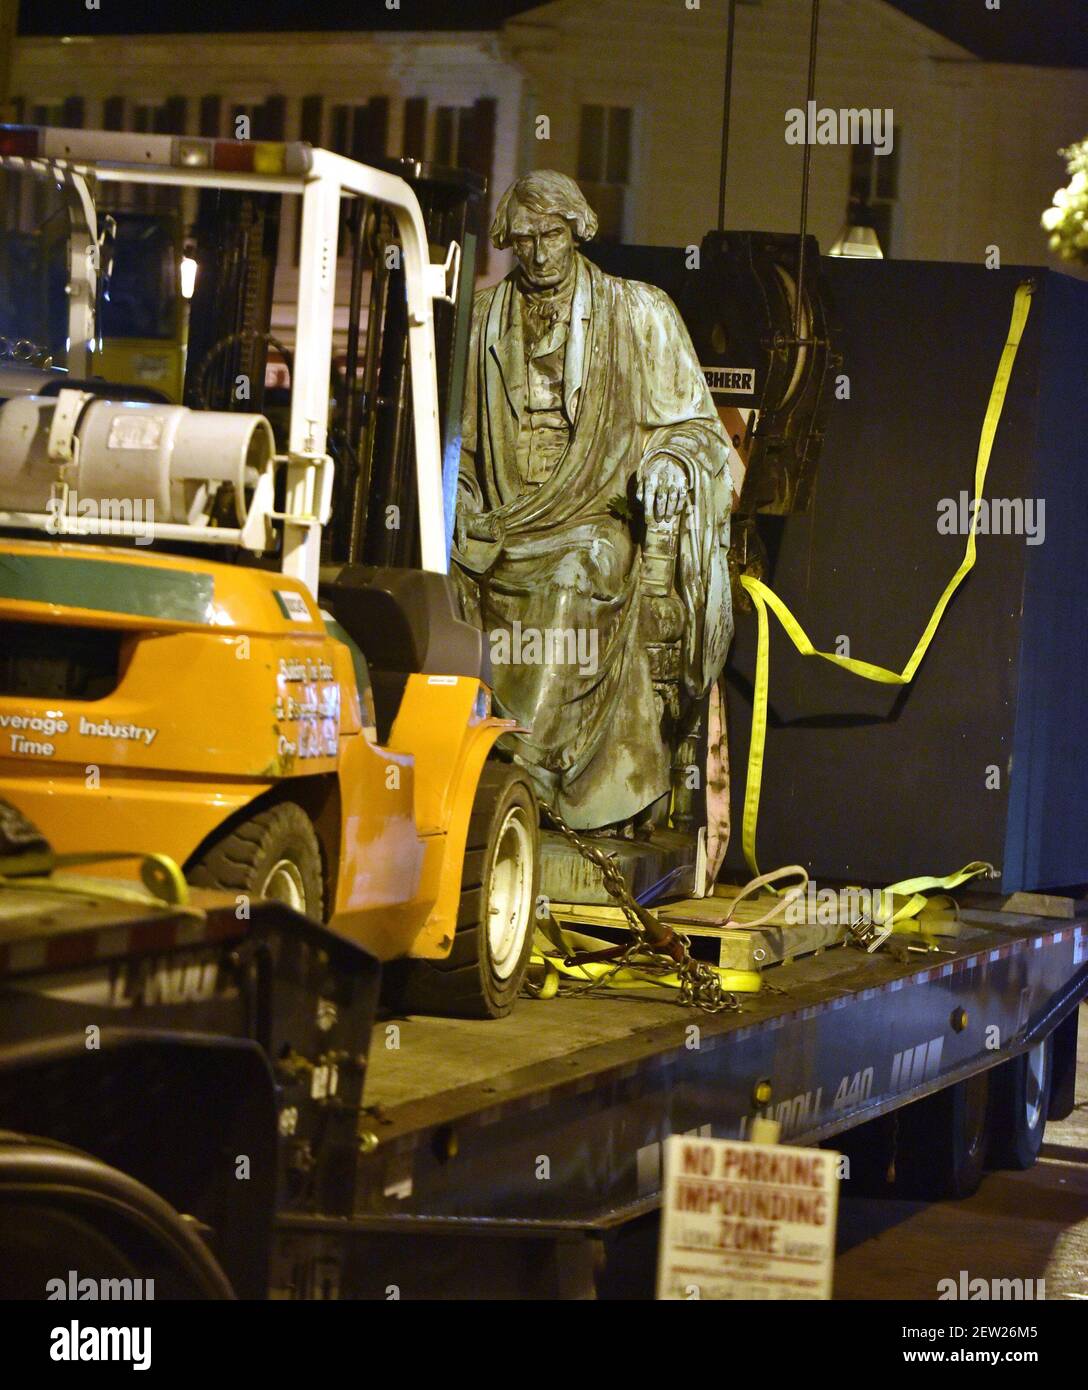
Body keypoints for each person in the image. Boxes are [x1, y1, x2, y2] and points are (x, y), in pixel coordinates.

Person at [454, 170, 734, 831]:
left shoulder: (641, 313)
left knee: (569, 577)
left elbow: (703, 433)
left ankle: (532, 776)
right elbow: (457, 445)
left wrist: (669, 462)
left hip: (598, 519)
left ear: (577, 231)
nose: (540, 253)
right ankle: (467, 768)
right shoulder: (482, 319)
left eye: (552, 235)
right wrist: (455, 506)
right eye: (523, 240)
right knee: (438, 582)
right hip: (502, 522)